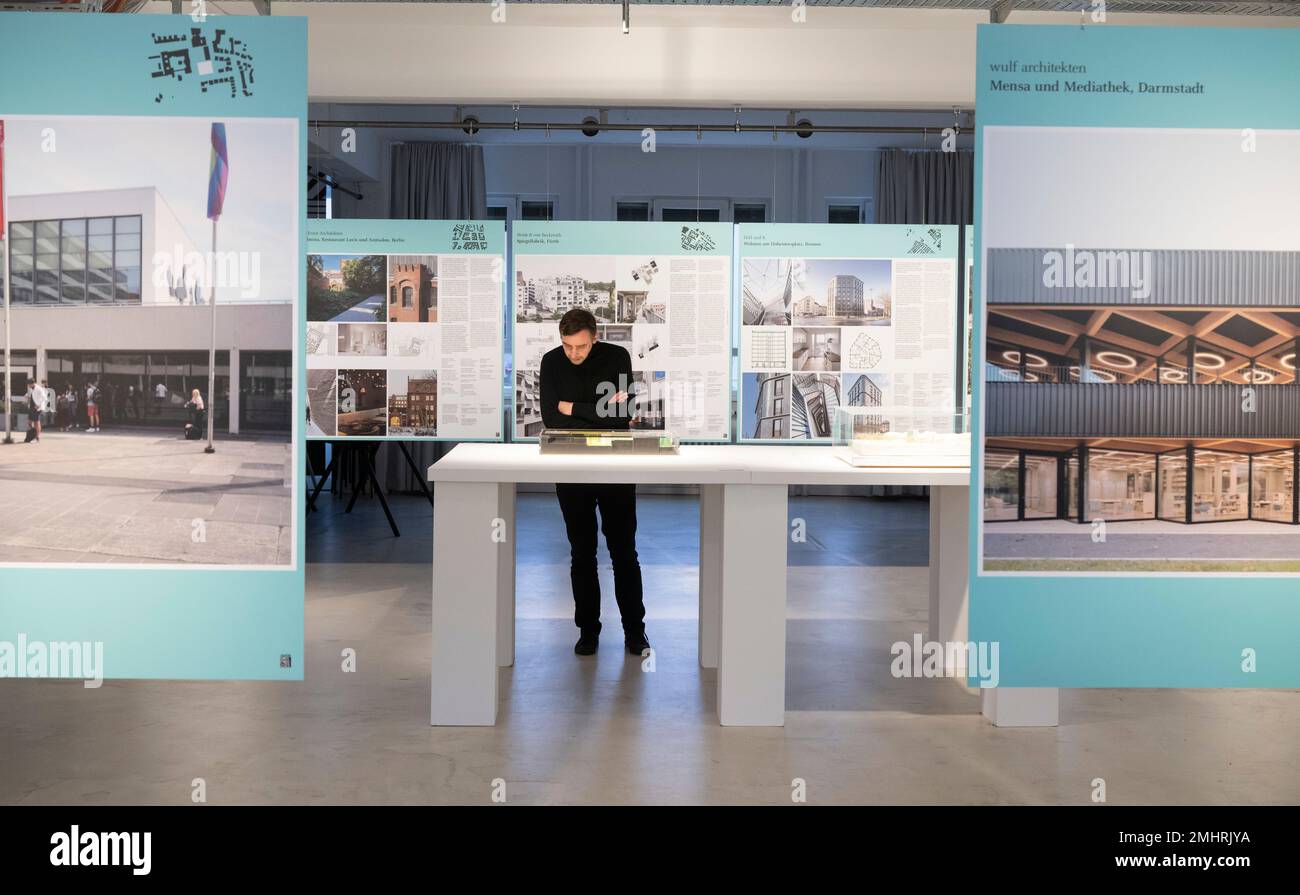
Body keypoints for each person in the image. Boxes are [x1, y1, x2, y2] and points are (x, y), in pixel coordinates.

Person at [539, 308, 649, 658]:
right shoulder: (551, 362)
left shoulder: (617, 357)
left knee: (623, 552)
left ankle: (635, 632)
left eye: (581, 346)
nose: (574, 354)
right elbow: (550, 416)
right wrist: (595, 408)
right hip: (570, 465)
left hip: (614, 464)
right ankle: (588, 631)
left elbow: (620, 414)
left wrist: (572, 407)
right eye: (568, 346)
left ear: (595, 336)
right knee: (581, 553)